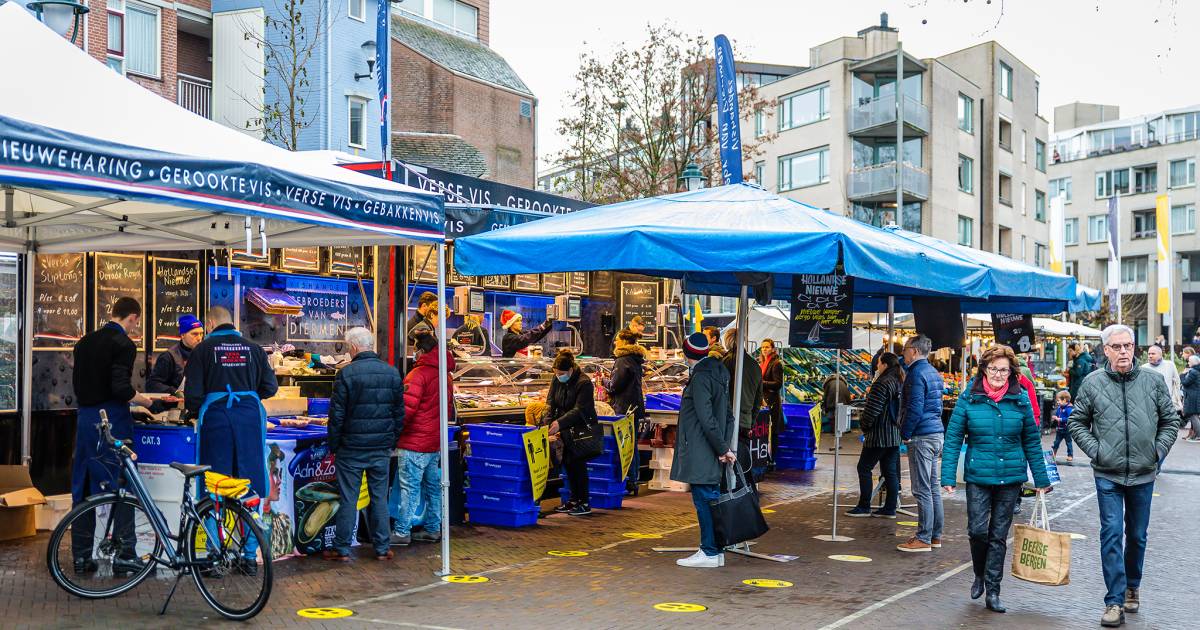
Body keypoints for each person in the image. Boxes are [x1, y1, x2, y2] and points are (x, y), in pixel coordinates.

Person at [1068, 324, 1179, 627]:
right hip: (1108, 474)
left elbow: (1170, 421)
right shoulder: (1092, 383)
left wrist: (1157, 452)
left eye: (1128, 346)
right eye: (1116, 347)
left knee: (1138, 536)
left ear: (1134, 348)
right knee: (1112, 533)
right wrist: (1098, 451)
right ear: (1105, 350)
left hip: (1144, 473)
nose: (1123, 351)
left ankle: (1133, 584)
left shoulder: (1153, 382)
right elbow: (1076, 422)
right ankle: (1114, 601)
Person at [941, 344, 1052, 614]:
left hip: (1011, 477)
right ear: (984, 369)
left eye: (1003, 370)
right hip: (979, 474)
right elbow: (954, 436)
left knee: (998, 535)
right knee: (977, 531)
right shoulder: (970, 396)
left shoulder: (1021, 397)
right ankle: (979, 573)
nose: (998, 374)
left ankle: (993, 589)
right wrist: (947, 476)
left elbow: (1031, 441)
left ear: (1011, 372)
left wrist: (1041, 478)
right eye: (993, 369)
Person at [184, 306, 278, 572]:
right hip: (249, 421)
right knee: (249, 486)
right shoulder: (254, 349)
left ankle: (215, 557)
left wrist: (196, 408)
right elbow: (270, 388)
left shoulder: (202, 351)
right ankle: (250, 557)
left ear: (211, 323)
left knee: (215, 486)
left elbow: (192, 396)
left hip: (216, 422)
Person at [70, 297, 154, 575]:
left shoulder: (84, 342)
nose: (135, 328)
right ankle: (125, 555)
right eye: (136, 323)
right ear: (131, 317)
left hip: (85, 421)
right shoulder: (124, 345)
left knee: (83, 488)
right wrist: (146, 401)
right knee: (122, 485)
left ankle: (81, 557)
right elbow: (120, 387)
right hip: (111, 423)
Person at [326, 327, 404, 561]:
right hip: (380, 448)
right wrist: (391, 440)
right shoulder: (392, 373)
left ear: (354, 347)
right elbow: (399, 414)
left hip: (351, 448)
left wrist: (334, 445)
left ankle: (342, 548)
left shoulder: (346, 375)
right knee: (380, 497)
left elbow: (336, 416)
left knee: (348, 498)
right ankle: (382, 548)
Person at [672, 332, 735, 568]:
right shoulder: (720, 373)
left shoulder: (700, 379)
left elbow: (705, 417)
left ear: (687, 354)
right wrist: (725, 446)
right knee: (712, 500)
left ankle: (708, 551)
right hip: (714, 446)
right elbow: (728, 416)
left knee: (704, 500)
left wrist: (721, 447)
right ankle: (715, 551)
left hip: (701, 447)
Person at [394, 331, 452, 545]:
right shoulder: (445, 374)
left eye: (414, 349)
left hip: (414, 442)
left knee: (410, 488)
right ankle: (433, 528)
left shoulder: (417, 375)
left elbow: (406, 410)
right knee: (433, 488)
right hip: (434, 442)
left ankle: (401, 532)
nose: (413, 354)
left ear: (421, 350)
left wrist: (394, 433)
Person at [897, 334, 946, 553]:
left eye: (906, 348)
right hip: (935, 432)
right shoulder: (933, 372)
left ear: (914, 351)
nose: (903, 352)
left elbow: (915, 407)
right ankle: (935, 535)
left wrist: (906, 432)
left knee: (922, 488)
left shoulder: (916, 374)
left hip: (922, 436)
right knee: (933, 486)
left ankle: (924, 537)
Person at [846, 352, 904, 519]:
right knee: (890, 471)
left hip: (880, 434)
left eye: (878, 363)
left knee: (864, 468)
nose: (876, 366)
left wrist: (864, 425)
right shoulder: (899, 381)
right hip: (894, 434)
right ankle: (890, 508)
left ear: (885, 365)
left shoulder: (882, 383)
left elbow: (873, 410)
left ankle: (864, 506)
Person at [546, 349, 598, 516]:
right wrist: (548, 422)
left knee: (578, 466)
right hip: (563, 430)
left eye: (561, 373)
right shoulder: (557, 379)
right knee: (568, 465)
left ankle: (583, 502)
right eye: (556, 373)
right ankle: (573, 500)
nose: (558, 376)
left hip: (580, 429)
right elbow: (551, 402)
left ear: (570, 370)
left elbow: (581, 409)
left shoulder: (584, 383)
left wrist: (559, 423)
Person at [606, 330, 647, 492]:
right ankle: (633, 480)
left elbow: (615, 385)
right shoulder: (635, 358)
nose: (615, 342)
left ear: (624, 341)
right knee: (632, 444)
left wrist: (605, 382)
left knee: (626, 445)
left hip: (625, 408)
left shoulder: (623, 360)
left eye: (617, 340)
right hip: (634, 406)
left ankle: (628, 480)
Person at [146, 314, 204, 398]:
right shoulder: (168, 357)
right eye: (194, 334)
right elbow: (152, 384)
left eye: (201, 334)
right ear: (183, 335)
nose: (199, 338)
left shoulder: (203, 354)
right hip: (173, 408)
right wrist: (174, 392)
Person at [759, 338, 785, 458]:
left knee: (772, 431)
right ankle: (766, 456)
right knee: (766, 430)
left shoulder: (776, 364)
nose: (764, 349)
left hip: (772, 401)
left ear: (772, 349)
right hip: (764, 400)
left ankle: (772, 458)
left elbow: (778, 384)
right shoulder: (763, 363)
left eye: (767, 347)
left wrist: (761, 383)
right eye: (763, 347)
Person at [1142, 344, 1183, 415]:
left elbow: (1177, 381)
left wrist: (1175, 398)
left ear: (1160, 355)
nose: (1150, 356)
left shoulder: (1170, 365)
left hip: (1168, 403)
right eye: (1149, 354)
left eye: (1153, 354)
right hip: (1150, 404)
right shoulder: (1143, 368)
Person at [1052, 390, 1075, 461]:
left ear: (1064, 400)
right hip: (1059, 429)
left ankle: (1070, 455)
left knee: (1068, 442)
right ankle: (1053, 454)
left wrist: (1060, 419)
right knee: (1056, 442)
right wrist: (1055, 418)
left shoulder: (1069, 409)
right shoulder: (1060, 408)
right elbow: (1057, 415)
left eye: (1058, 400)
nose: (1057, 402)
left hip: (1066, 429)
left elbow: (1070, 418)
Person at [1182, 355, 1200, 441]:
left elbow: (1185, 382)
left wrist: (1183, 374)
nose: (1188, 363)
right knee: (1194, 415)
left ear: (1193, 362)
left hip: (1192, 396)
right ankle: (1195, 435)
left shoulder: (1193, 372)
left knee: (1193, 416)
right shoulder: (1197, 370)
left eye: (1189, 361)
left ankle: (1198, 435)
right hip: (1196, 395)